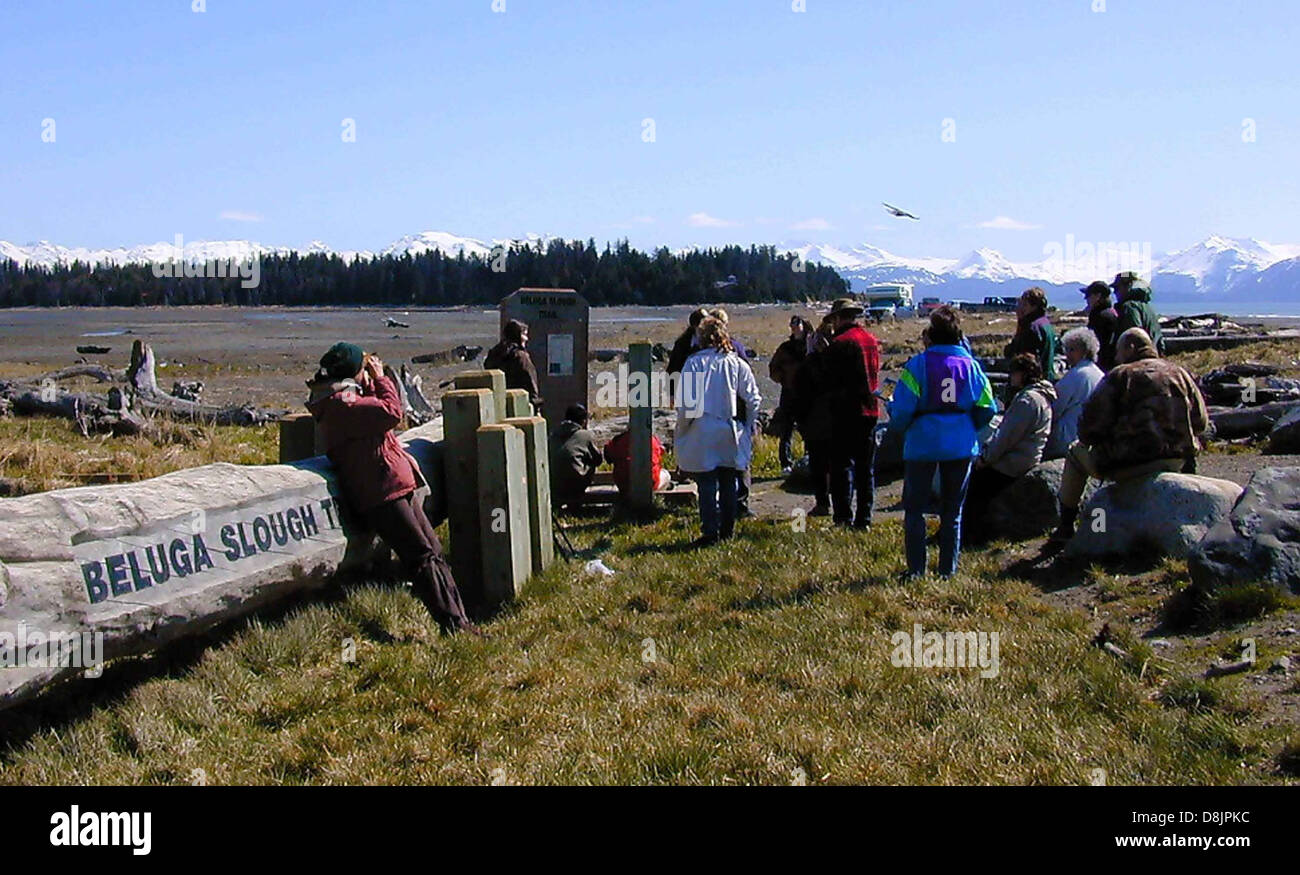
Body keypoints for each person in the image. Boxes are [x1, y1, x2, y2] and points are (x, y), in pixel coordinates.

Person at [306, 342, 478, 635]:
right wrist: (382, 379)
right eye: (363, 366)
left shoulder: (344, 397)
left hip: (393, 483)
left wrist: (370, 383)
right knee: (421, 556)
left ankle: (460, 618)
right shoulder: (341, 402)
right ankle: (453, 625)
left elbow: (373, 418)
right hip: (381, 492)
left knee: (432, 550)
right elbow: (390, 412)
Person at [1050, 328, 1209, 542]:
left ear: (1131, 348)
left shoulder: (1120, 376)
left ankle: (1066, 526)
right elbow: (1201, 421)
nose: (1116, 357)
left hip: (1128, 464)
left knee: (1074, 453)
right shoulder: (1180, 373)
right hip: (1176, 460)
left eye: (1119, 351)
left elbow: (1090, 429)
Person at [888, 307, 998, 578]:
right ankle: (947, 570)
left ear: (930, 335)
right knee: (952, 511)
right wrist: (968, 425)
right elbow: (988, 407)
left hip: (922, 443)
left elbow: (901, 410)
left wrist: (901, 425)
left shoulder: (917, 365)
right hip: (960, 443)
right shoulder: (972, 367)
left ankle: (916, 570)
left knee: (915, 509)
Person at [674, 317, 761, 547]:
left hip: (702, 428)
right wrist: (749, 425)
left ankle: (710, 531)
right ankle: (727, 529)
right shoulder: (736, 363)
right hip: (731, 428)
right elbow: (753, 399)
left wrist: (682, 430)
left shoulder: (693, 363)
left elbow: (686, 405)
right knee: (728, 481)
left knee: (707, 483)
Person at [963, 353, 1056, 541]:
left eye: (1014, 372)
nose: (1011, 376)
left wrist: (984, 458)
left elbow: (1006, 437)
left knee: (974, 486)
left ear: (1023, 374)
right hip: (1027, 456)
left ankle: (969, 534)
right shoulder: (1041, 396)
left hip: (1014, 462)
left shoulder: (1027, 401)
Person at [824, 298, 882, 528]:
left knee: (841, 467)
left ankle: (842, 516)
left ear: (838, 318)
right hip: (870, 410)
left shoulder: (839, 344)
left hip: (844, 411)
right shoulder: (871, 340)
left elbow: (829, 379)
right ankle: (864, 518)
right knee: (865, 468)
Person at [790, 316, 836, 516]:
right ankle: (841, 504)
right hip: (836, 418)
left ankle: (823, 502)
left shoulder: (809, 365)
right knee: (838, 463)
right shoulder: (838, 363)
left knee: (819, 464)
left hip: (815, 421)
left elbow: (799, 392)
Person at [1045, 328, 1105, 459]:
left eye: (1072, 350)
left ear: (1085, 351)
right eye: (1067, 349)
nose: (1067, 354)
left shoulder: (1076, 375)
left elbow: (1055, 408)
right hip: (1090, 437)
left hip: (1067, 438)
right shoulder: (1100, 374)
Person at [769, 316, 811, 474]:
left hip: (808, 393)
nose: (794, 327)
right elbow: (773, 367)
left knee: (808, 428)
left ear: (804, 325)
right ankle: (785, 462)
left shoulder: (811, 345)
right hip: (788, 392)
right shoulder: (785, 348)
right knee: (786, 429)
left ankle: (809, 458)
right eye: (792, 324)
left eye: (797, 324)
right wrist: (783, 379)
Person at [550, 403, 603, 510]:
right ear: (583, 421)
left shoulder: (553, 434)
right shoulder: (585, 435)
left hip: (553, 484)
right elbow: (598, 460)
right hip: (575, 485)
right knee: (590, 461)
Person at [484, 319, 542, 411]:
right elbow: (530, 382)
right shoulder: (521, 357)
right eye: (525, 335)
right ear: (518, 335)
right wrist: (535, 406)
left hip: (497, 406)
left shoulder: (493, 355)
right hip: (519, 405)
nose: (527, 339)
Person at [1004, 286, 1058, 382]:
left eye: (1025, 305)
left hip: (1031, 380)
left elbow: (1018, 355)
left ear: (1034, 306)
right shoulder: (1046, 324)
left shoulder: (1032, 328)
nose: (1021, 308)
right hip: (1047, 378)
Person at [603, 429, 670, 497]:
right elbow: (660, 452)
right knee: (666, 475)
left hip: (624, 484)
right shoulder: (652, 439)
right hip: (649, 484)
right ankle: (657, 496)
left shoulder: (619, 439)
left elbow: (608, 456)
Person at [1112, 272, 1164, 355]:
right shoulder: (1148, 308)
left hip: (1139, 357)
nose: (1115, 292)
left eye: (1117, 288)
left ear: (1128, 286)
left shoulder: (1130, 307)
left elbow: (1134, 335)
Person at [666, 308, 711, 392]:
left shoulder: (714, 341)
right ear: (694, 325)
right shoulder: (683, 343)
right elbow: (673, 368)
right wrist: (671, 392)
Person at [1081, 280, 1120, 371]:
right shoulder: (1111, 312)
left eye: (1088, 296)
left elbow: (1093, 343)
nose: (1086, 299)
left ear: (1098, 296)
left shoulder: (1099, 316)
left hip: (1101, 363)